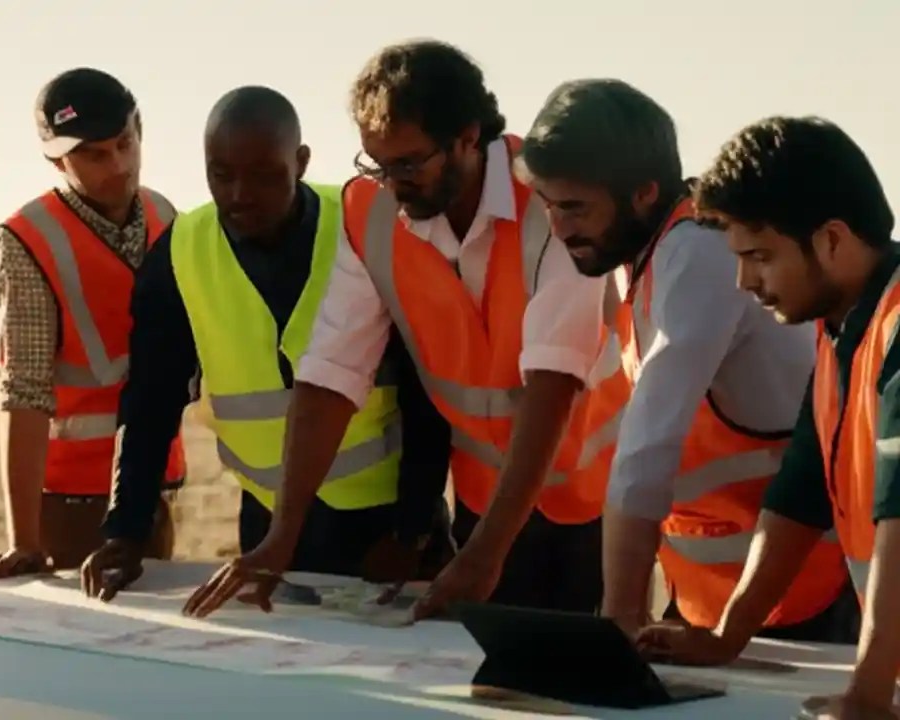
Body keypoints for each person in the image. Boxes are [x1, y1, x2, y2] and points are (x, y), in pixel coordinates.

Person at [183, 42, 621, 620]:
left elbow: (552, 383)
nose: (392, 183)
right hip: (483, 496)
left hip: (588, 504)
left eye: (409, 164)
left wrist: (486, 554)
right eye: (377, 164)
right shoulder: (370, 211)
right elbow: (331, 373)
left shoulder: (554, 201)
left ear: (469, 137)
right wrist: (281, 537)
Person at [83, 85, 452, 604]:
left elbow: (426, 389)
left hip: (388, 525)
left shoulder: (365, 225)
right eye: (221, 174)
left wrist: (412, 529)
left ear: (300, 162)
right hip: (266, 520)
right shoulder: (181, 253)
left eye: (262, 175)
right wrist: (124, 531)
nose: (239, 194)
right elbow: (148, 403)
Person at [516, 79, 855, 643]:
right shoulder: (647, 256)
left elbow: (647, 446)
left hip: (802, 603)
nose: (558, 227)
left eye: (575, 206)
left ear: (645, 193)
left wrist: (619, 620)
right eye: (547, 205)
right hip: (715, 605)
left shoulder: (699, 255)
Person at [638, 117, 896, 720]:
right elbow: (798, 493)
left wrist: (869, 694)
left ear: (831, 239)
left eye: (759, 256)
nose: (744, 281)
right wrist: (727, 635)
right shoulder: (842, 332)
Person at [0, 68, 184, 579]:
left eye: (125, 143)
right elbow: (23, 391)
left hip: (152, 491)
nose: (117, 164)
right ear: (56, 156)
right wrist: (23, 541)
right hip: (70, 506)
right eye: (93, 153)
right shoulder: (25, 241)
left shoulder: (166, 215)